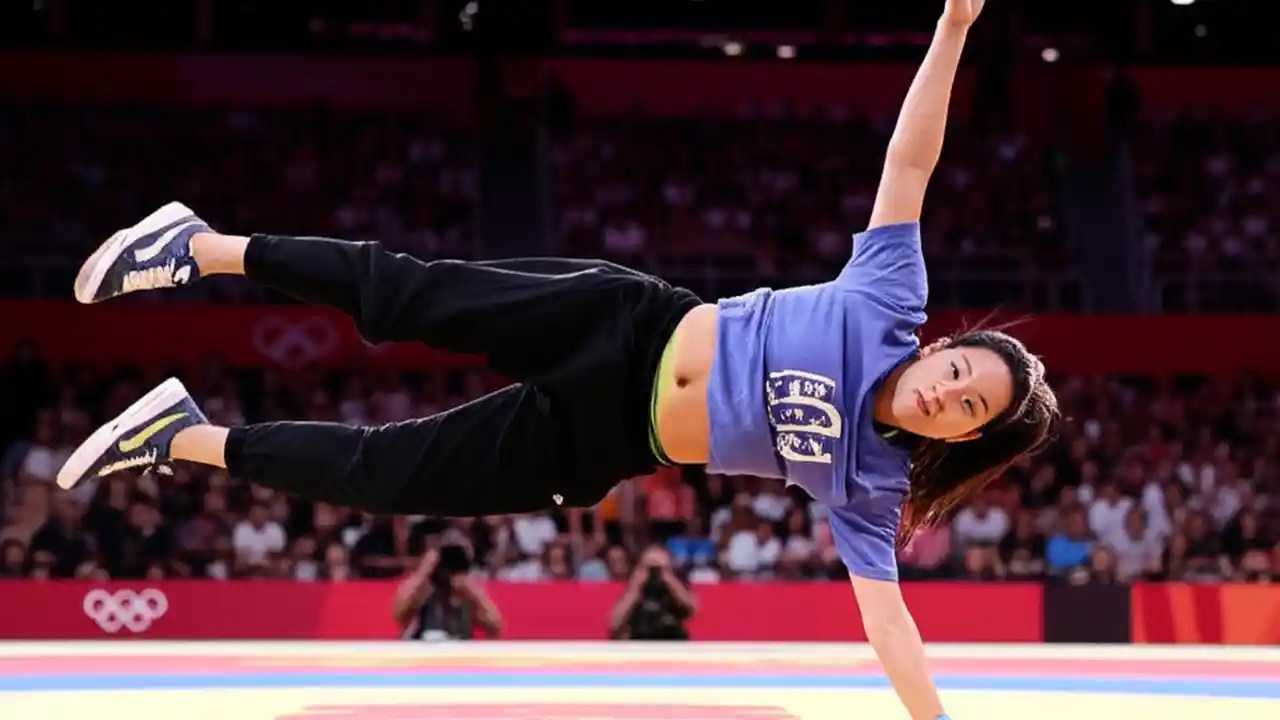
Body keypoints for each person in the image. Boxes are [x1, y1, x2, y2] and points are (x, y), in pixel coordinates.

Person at [58, 1, 1054, 717]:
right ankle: (195, 246)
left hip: (603, 440)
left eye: (965, 413)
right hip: (622, 325)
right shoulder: (886, 302)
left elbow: (888, 626)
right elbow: (910, 163)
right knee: (406, 292)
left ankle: (183, 437)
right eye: (961, 373)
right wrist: (954, 28)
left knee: (390, 476)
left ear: (953, 441)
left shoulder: (869, 485)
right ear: (946, 347)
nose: (947, 395)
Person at [607, 544, 697, 640]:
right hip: (640, 644)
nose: (654, 574)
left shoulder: (676, 589)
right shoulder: (633, 590)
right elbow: (613, 624)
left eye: (657, 569)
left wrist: (669, 579)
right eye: (650, 569)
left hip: (671, 644)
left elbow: (692, 608)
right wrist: (635, 589)